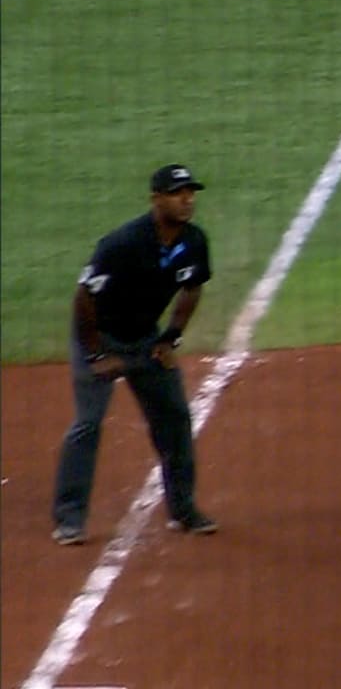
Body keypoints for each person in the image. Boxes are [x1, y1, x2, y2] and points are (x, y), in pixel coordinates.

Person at [51, 164, 218, 545]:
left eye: (190, 192)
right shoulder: (121, 243)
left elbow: (192, 288)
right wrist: (95, 355)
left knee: (175, 418)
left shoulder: (193, 241)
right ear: (156, 199)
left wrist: (170, 338)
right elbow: (84, 298)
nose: (187, 199)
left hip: (145, 340)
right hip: (99, 338)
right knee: (88, 423)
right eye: (178, 193)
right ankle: (69, 519)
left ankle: (183, 509)